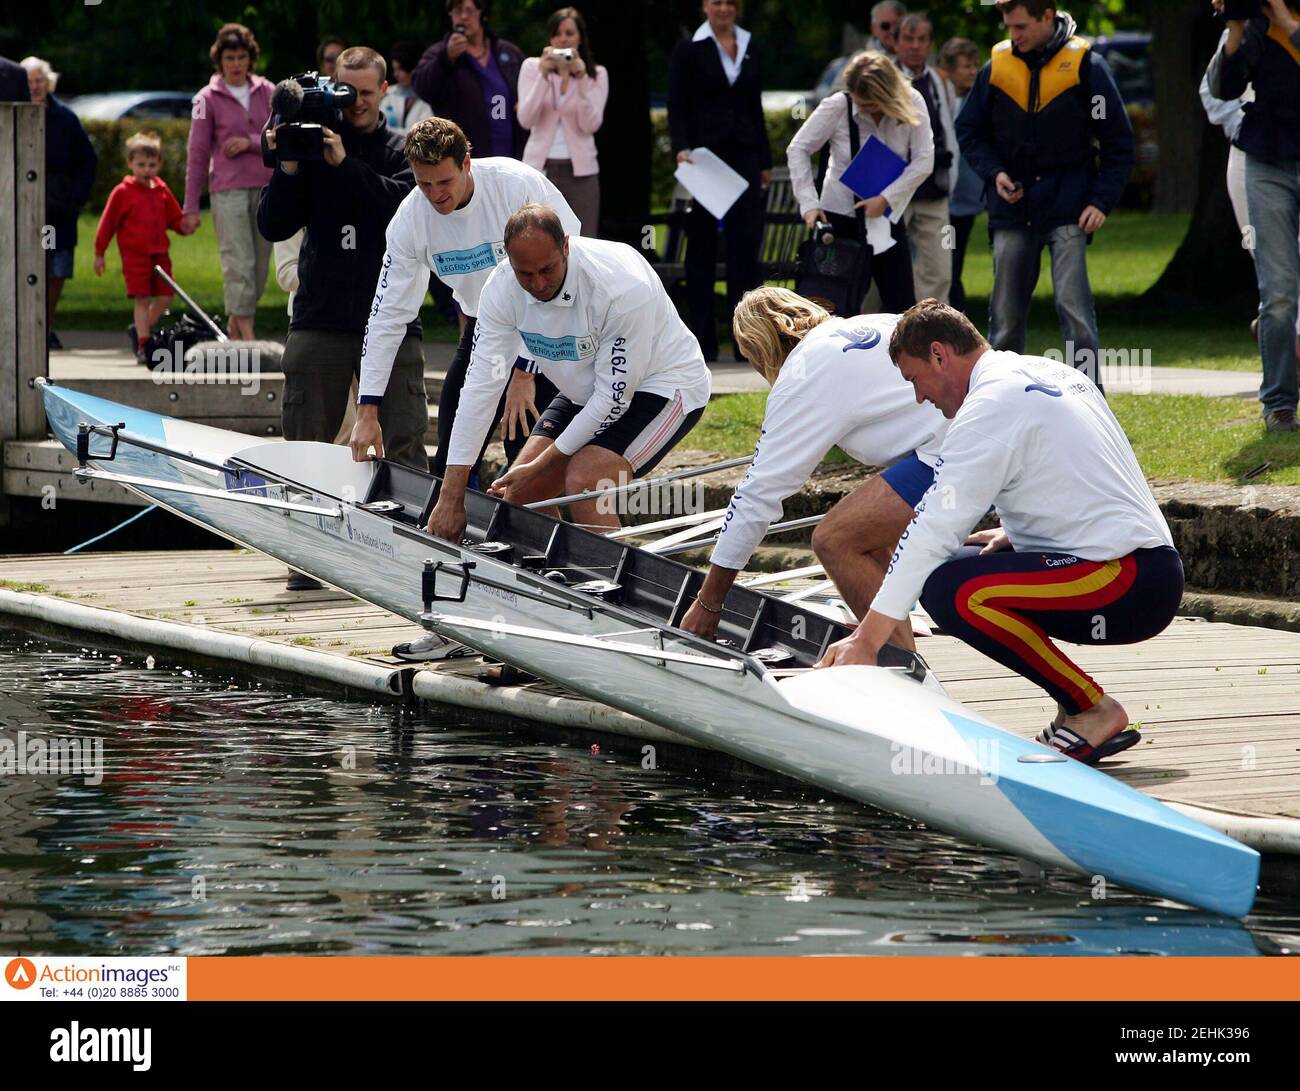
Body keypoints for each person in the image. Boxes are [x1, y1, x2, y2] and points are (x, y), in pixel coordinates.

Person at [820, 300, 1182, 766]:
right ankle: (1074, 709)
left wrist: (867, 639)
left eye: (914, 379)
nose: (919, 397)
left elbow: (931, 530)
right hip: (1142, 564)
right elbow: (1077, 465)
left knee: (951, 591)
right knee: (955, 567)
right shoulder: (1045, 370)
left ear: (939, 354)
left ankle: (1092, 708)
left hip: (1129, 582)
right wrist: (1015, 530)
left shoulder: (988, 407)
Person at [424, 204, 712, 542]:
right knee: (521, 494)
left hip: (664, 384)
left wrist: (541, 464)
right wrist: (450, 494)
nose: (538, 284)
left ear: (566, 246)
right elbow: (479, 388)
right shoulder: (500, 288)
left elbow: (612, 400)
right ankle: (553, 569)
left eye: (547, 269)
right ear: (509, 260)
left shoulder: (620, 286)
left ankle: (611, 574)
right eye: (525, 274)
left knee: (584, 479)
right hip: (588, 386)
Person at [680, 288, 947, 648]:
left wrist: (709, 601)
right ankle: (894, 642)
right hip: (977, 432)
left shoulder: (801, 375)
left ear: (759, 350)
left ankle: (898, 661)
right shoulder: (871, 323)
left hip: (956, 451)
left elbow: (756, 496)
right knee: (866, 532)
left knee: (835, 539)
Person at [257, 46, 429, 589]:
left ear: (384, 92)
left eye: (366, 92)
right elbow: (272, 225)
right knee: (306, 439)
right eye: (346, 91)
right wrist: (288, 165)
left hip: (392, 317)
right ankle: (305, 556)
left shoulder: (401, 149)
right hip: (321, 315)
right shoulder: (308, 142)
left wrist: (344, 166)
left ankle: (414, 560)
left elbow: (402, 208)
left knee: (404, 439)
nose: (355, 102)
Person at [351, 117, 581, 480]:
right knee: (451, 460)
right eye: (424, 184)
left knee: (526, 459)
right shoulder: (410, 220)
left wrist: (525, 373)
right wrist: (367, 410)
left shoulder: (515, 184)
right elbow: (387, 317)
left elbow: (571, 260)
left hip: (545, 325)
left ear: (466, 163)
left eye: (444, 181)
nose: (435, 195)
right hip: (483, 331)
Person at [956, 1, 1134, 390]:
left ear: (1048, 16)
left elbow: (1118, 141)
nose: (1013, 35)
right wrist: (995, 173)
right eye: (1009, 27)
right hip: (1012, 209)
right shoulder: (996, 67)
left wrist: (1100, 202)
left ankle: (1089, 398)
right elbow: (969, 131)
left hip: (1069, 207)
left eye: (1021, 26)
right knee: (1005, 320)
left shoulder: (1086, 65)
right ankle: (1000, 398)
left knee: (1076, 314)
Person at [1208, 0, 1300, 432]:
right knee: (1278, 291)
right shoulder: (1255, 27)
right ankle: (1279, 404)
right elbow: (1222, 89)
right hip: (1267, 160)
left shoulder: (1282, 21)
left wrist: (1287, 22)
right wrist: (1236, 27)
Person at [786, 50, 931, 314]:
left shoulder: (913, 102)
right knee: (833, 307)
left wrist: (886, 198)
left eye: (870, 105)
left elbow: (924, 160)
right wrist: (809, 204)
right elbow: (798, 149)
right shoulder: (838, 105)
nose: (862, 109)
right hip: (839, 217)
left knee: (902, 307)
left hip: (886, 217)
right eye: (858, 102)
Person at [668, 0, 771, 362]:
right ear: (705, 6)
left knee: (745, 250)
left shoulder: (750, 44)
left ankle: (747, 343)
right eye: (717, 2)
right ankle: (704, 343)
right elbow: (677, 104)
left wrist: (764, 160)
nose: (723, 8)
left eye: (729, 2)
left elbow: (755, 105)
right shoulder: (688, 49)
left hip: (744, 156)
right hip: (704, 159)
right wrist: (681, 148)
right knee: (702, 250)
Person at [183, 22, 274, 342]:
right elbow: (197, 154)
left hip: (266, 187)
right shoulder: (204, 98)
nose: (236, 64)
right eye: (229, 58)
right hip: (228, 190)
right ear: (219, 61)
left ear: (251, 58)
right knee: (239, 263)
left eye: (241, 57)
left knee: (260, 269)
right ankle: (247, 336)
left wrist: (251, 142)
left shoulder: (268, 91)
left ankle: (234, 335)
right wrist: (190, 207)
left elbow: (280, 135)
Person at [92, 132, 191, 362]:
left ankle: (140, 328)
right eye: (141, 165)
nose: (147, 170)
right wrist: (99, 253)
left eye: (152, 165)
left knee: (166, 296)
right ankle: (143, 344)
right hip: (135, 257)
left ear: (159, 164)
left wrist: (185, 226)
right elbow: (107, 224)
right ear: (130, 164)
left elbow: (174, 218)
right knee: (142, 298)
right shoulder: (122, 192)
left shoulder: (161, 189)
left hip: (160, 254)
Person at [21, 56, 97, 351]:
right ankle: (27, 327)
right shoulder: (13, 113)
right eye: (29, 81)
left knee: (55, 269)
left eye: (39, 80)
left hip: (57, 213)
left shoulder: (65, 118)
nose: (35, 86)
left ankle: (46, 326)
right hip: (23, 211)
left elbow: (86, 160)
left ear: (48, 82)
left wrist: (74, 197)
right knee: (27, 268)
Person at [517, 6, 609, 237]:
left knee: (583, 239)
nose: (563, 39)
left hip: (581, 172)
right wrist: (543, 76)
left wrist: (582, 80)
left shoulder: (596, 74)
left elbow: (591, 124)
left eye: (569, 33)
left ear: (580, 38)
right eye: (557, 34)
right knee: (535, 238)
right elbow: (526, 119)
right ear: (550, 38)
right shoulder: (532, 67)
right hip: (540, 168)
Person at [894, 12, 957, 304]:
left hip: (934, 190)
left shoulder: (939, 82)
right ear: (896, 42)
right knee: (877, 274)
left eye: (922, 40)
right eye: (908, 39)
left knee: (940, 271)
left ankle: (931, 327)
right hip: (891, 192)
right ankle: (866, 326)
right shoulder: (883, 77)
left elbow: (948, 130)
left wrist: (951, 180)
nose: (915, 46)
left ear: (931, 44)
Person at [414, 0, 527, 160]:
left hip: (513, 154)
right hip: (465, 155)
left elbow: (530, 87)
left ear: (481, 13)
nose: (464, 17)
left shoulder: (508, 52)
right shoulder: (440, 53)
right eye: (457, 11)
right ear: (450, 15)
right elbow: (423, 88)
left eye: (469, 10)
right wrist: (445, 58)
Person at [939, 37, 982, 314]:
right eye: (966, 66)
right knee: (942, 264)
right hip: (941, 197)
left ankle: (954, 315)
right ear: (949, 69)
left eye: (975, 65)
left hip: (962, 202)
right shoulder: (939, 99)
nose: (973, 71)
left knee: (952, 262)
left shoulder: (976, 100)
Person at [381, 41, 434, 139]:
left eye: (400, 69)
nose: (396, 74)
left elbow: (421, 135)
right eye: (394, 69)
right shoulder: (387, 93)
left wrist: (388, 131)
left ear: (413, 67)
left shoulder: (430, 97)